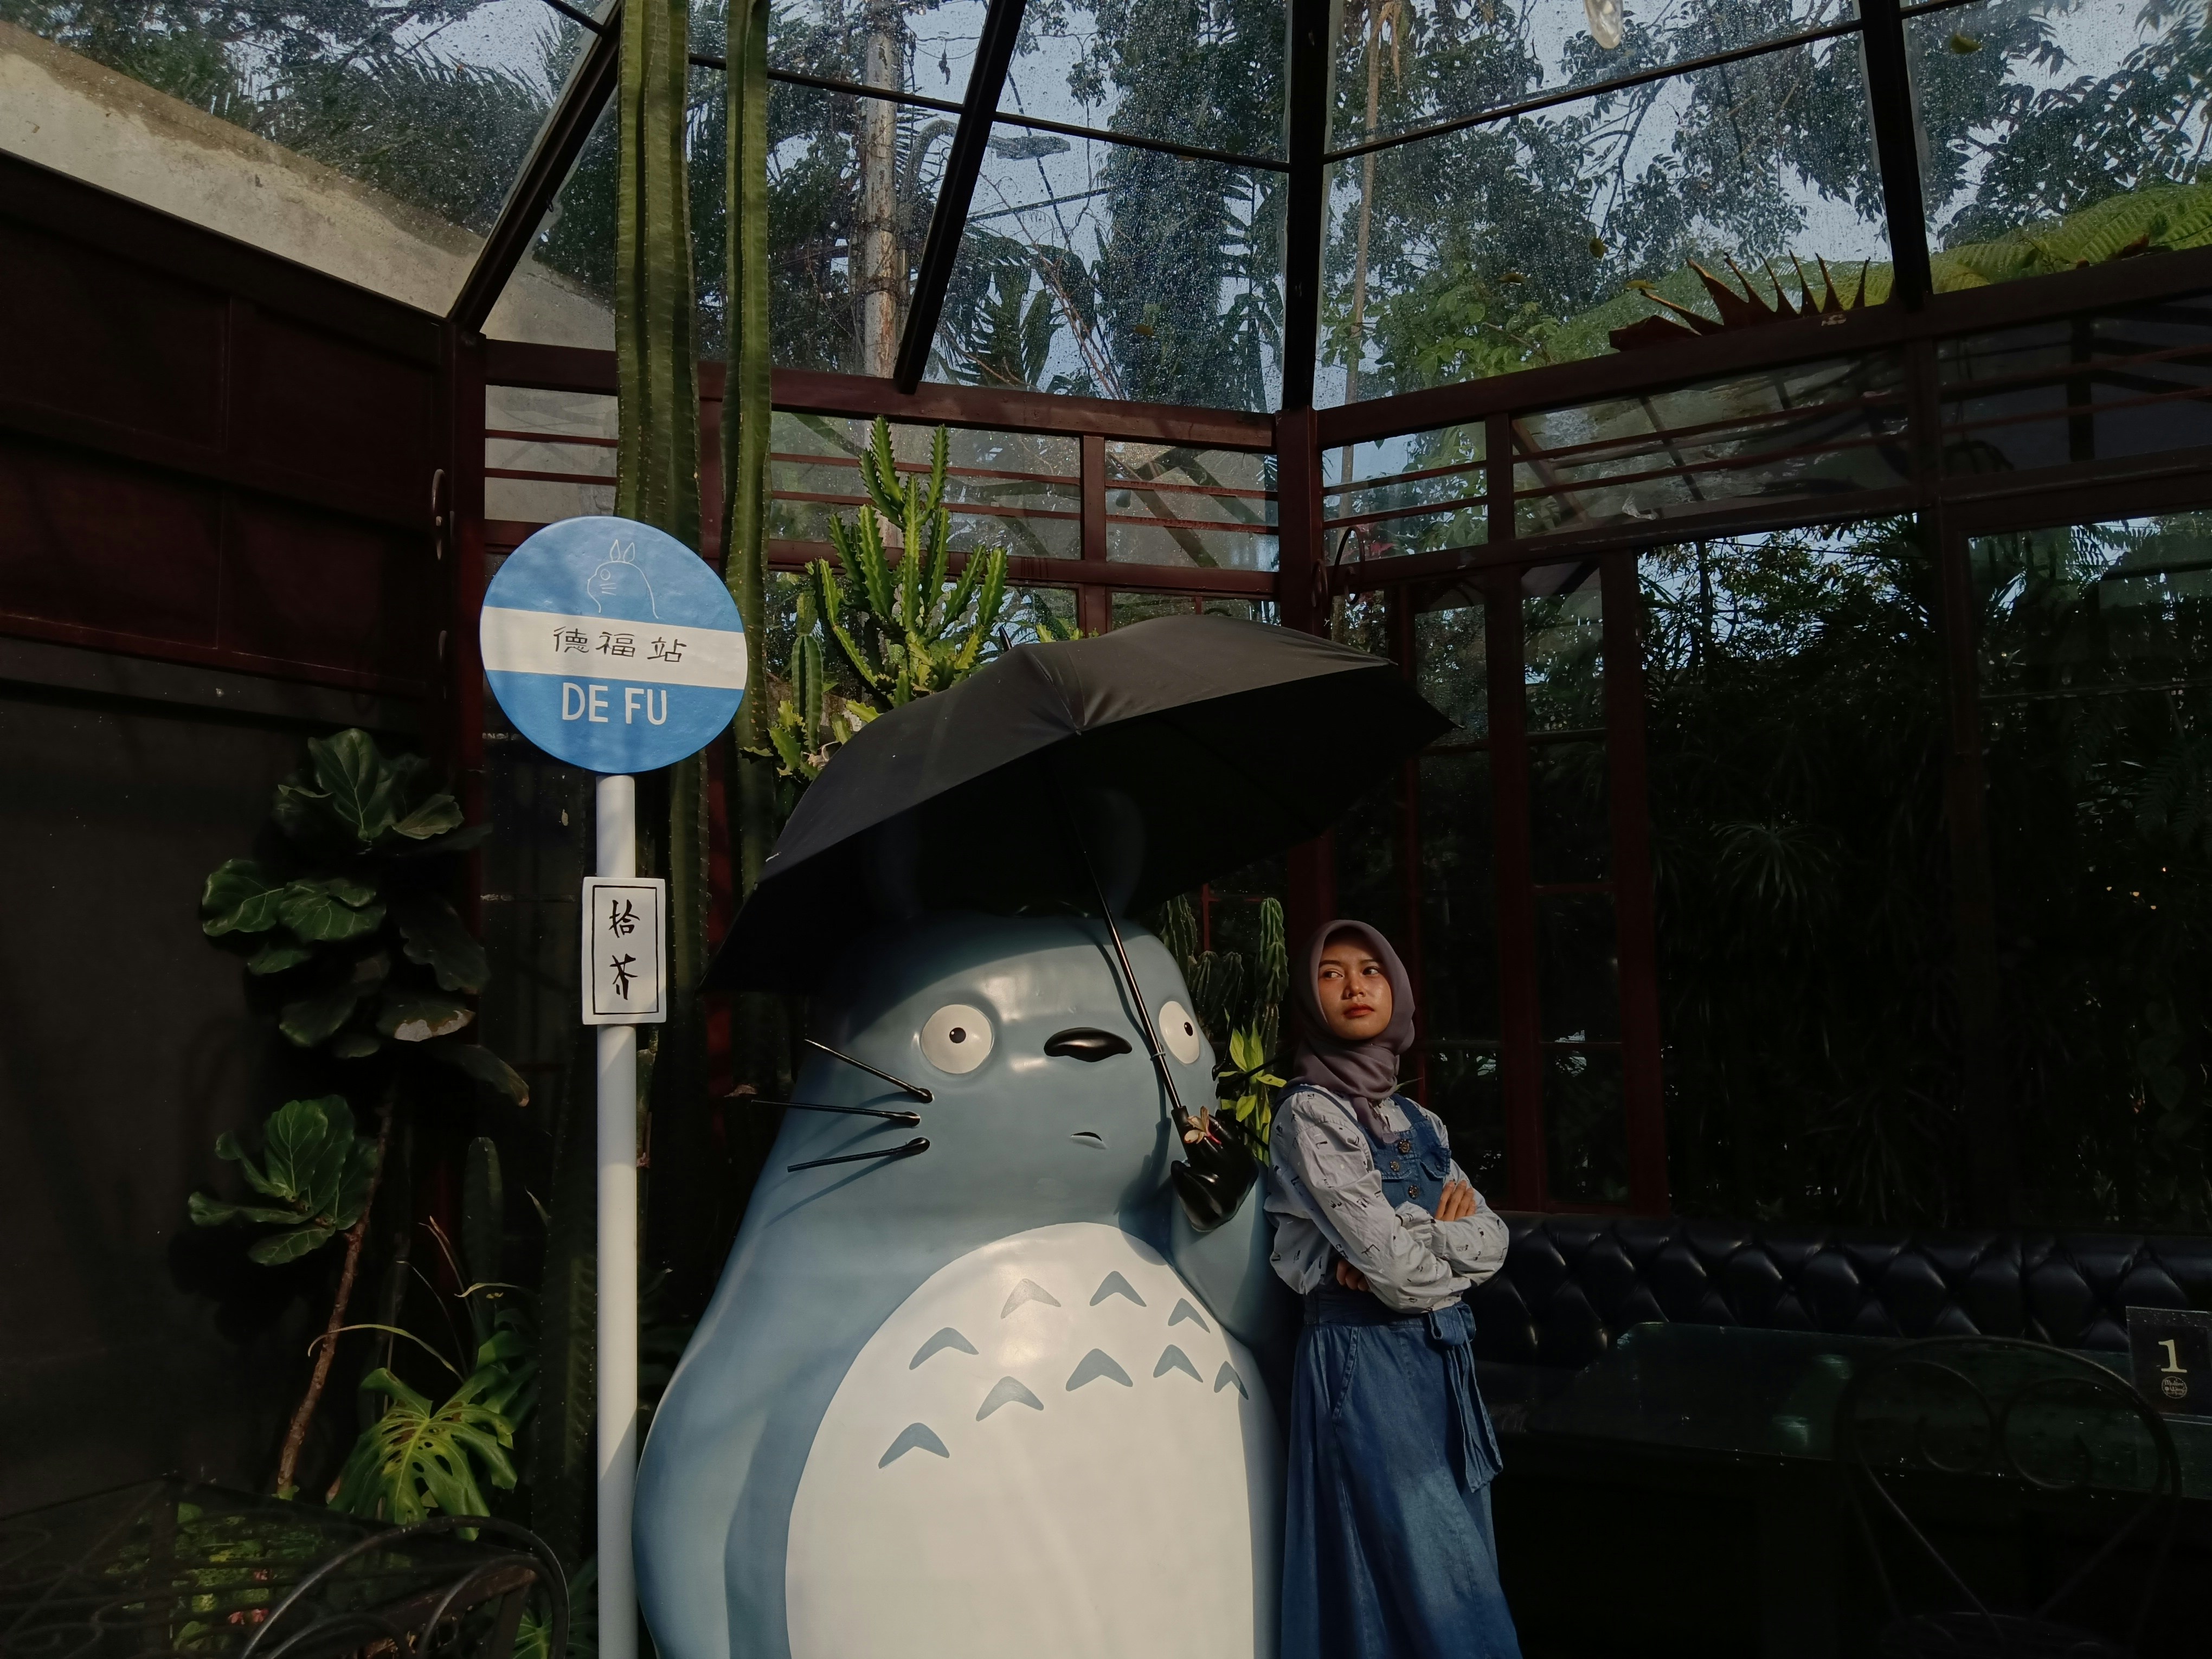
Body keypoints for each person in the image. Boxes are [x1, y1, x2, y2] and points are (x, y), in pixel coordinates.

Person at [1264, 919, 1522, 1659]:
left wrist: (1408, 1238)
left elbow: (1495, 1240)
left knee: (1447, 1556)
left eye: (1372, 970)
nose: (1353, 987)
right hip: (1361, 1362)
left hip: (1443, 1363)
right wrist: (1417, 1243)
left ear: (1399, 992)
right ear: (1309, 1001)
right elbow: (1400, 1280)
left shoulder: (1421, 1120)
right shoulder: (1309, 1114)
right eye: (1331, 973)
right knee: (1432, 1571)